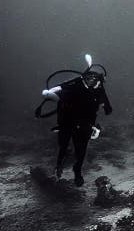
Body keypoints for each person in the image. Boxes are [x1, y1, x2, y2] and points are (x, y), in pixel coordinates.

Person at [36, 55, 112, 186]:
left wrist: (103, 109)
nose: (91, 82)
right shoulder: (75, 84)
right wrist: (49, 94)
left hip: (85, 123)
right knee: (63, 146)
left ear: (100, 81)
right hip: (67, 120)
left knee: (81, 149)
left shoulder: (99, 90)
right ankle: (59, 165)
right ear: (84, 78)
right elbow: (57, 90)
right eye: (89, 78)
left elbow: (108, 109)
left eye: (95, 80)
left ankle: (77, 171)